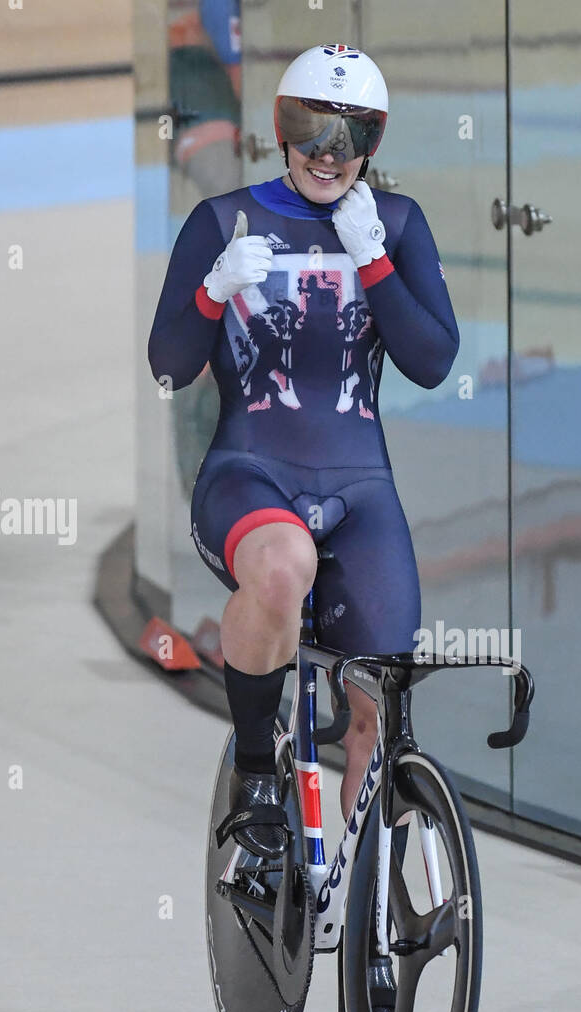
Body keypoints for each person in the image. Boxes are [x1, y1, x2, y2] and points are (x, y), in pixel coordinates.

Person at [148, 43, 459, 857]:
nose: (327, 153)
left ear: (373, 146)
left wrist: (375, 260)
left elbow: (431, 361)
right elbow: (169, 366)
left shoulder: (396, 224)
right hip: (251, 474)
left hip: (361, 492)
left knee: (379, 708)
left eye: (348, 136)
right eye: (307, 128)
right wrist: (212, 290)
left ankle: (362, 914)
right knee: (284, 567)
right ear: (278, 130)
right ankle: (256, 773)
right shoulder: (222, 221)